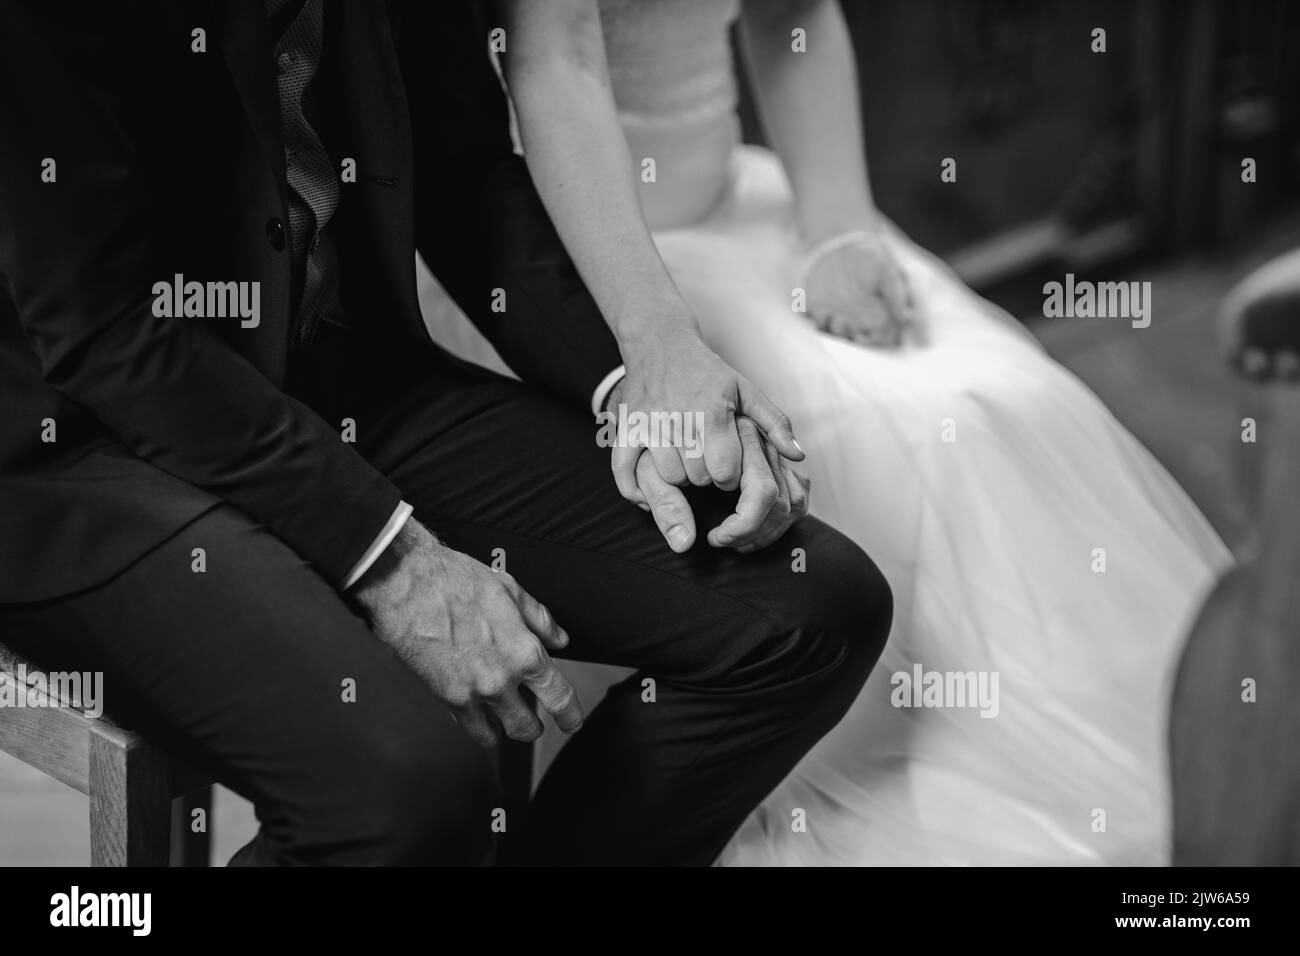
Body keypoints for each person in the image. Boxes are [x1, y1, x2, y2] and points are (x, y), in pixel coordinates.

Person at [0, 0, 892, 866]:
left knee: (807, 615)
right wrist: (390, 556)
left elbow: (462, 172)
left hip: (335, 377)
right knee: (411, 796)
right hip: (85, 444)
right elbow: (108, 331)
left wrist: (639, 383)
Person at [459, 0, 1234, 864]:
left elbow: (793, 16)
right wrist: (660, 339)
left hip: (745, 202)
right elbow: (556, 66)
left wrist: (837, 232)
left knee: (998, 398)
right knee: (864, 428)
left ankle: (1174, 756)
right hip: (589, 256)